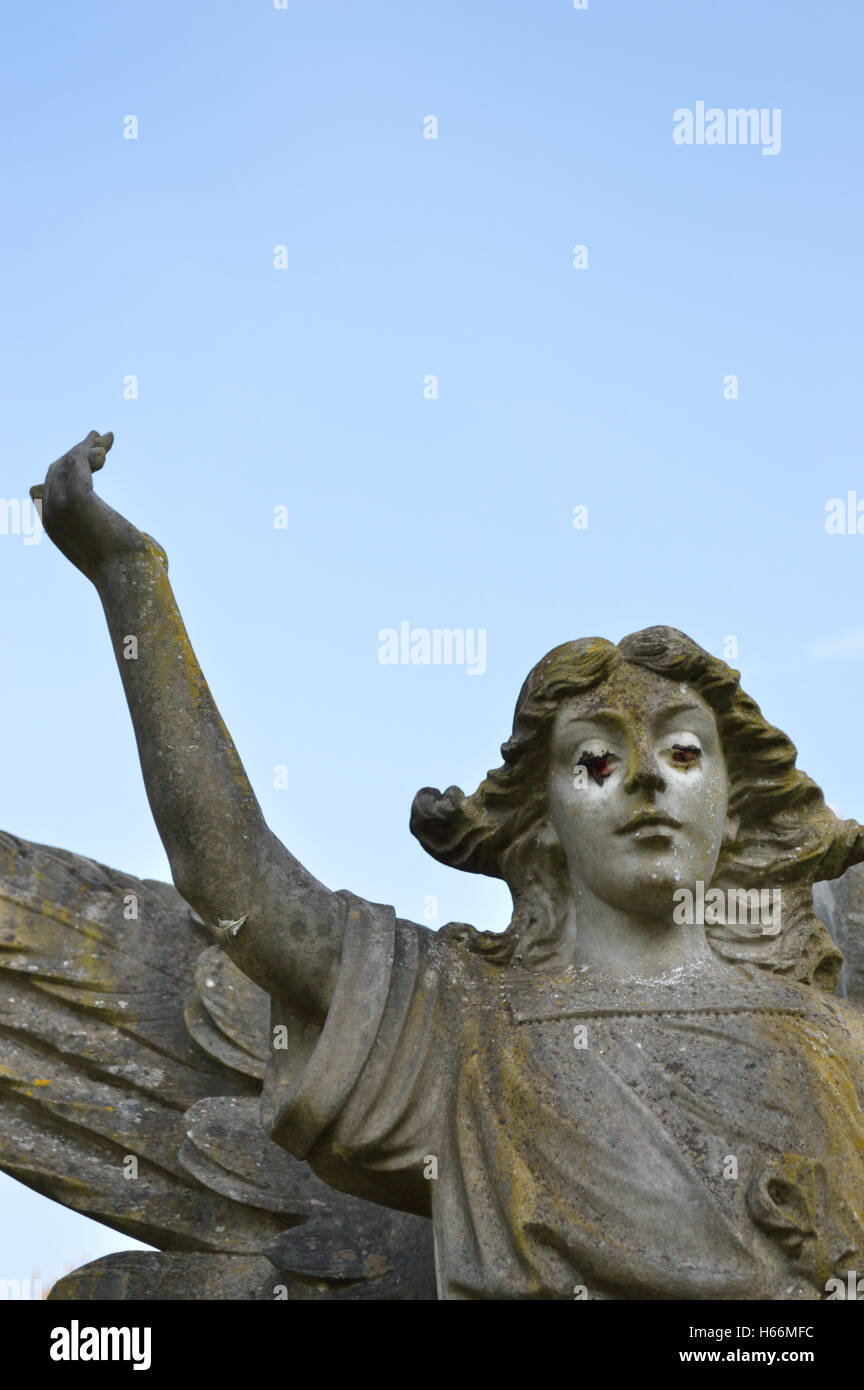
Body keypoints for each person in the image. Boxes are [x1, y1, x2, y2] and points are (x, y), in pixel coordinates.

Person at [32, 430, 864, 1300]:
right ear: (541, 824)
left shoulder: (835, 1051)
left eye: (685, 753)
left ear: (734, 810)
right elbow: (237, 886)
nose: (648, 779)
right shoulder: (469, 1022)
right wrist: (131, 582)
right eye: (596, 762)